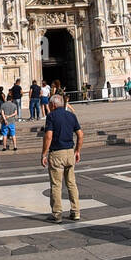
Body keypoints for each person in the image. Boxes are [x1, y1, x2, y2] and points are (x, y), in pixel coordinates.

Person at [41, 94, 82, 222]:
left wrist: (44, 154)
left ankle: (57, 214)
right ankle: (76, 212)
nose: (48, 106)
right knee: (71, 184)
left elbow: (48, 136)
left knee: (56, 185)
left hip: (57, 154)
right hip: (70, 152)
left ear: (53, 105)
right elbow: (80, 135)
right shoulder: (71, 115)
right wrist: (77, 151)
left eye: (49, 104)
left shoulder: (51, 116)